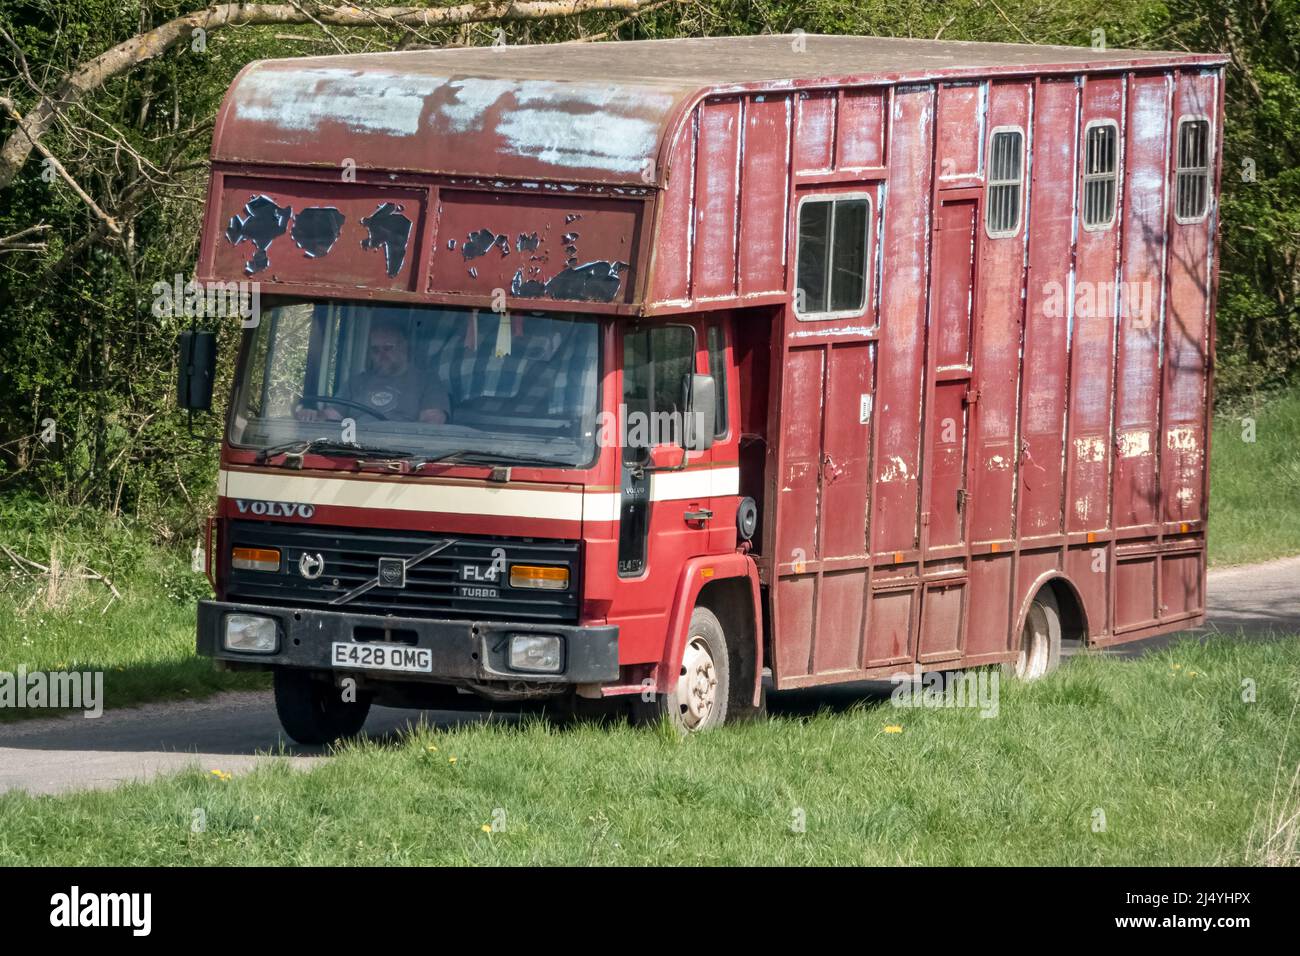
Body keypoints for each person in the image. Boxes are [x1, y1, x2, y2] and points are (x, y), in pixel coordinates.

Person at [296, 320, 448, 423]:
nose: (382, 355)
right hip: (356, 451)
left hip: (404, 455)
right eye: (375, 350)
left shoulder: (427, 382)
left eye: (388, 348)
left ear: (404, 346)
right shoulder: (356, 382)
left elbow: (432, 423)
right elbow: (332, 416)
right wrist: (313, 415)